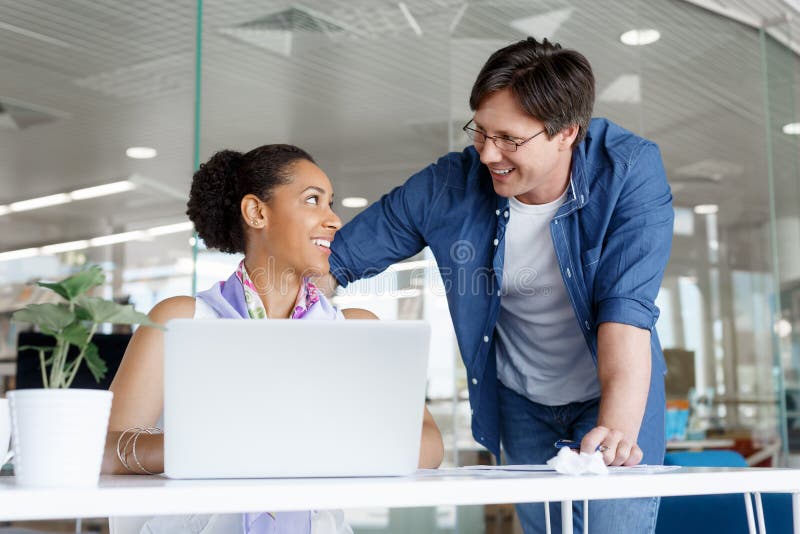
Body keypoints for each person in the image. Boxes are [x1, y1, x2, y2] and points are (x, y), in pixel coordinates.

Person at [328, 37, 673, 534]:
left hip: (613, 390)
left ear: (566, 133)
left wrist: (616, 431)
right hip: (520, 399)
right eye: (480, 131)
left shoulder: (627, 171)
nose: (489, 154)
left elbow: (626, 310)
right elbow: (337, 259)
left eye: (510, 139)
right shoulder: (448, 186)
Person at [101, 144, 444, 533]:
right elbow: (107, 450)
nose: (333, 219)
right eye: (313, 200)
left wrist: (316, 445)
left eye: (330, 203)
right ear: (256, 212)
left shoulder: (355, 330)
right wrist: (206, 447)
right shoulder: (183, 320)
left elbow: (429, 443)